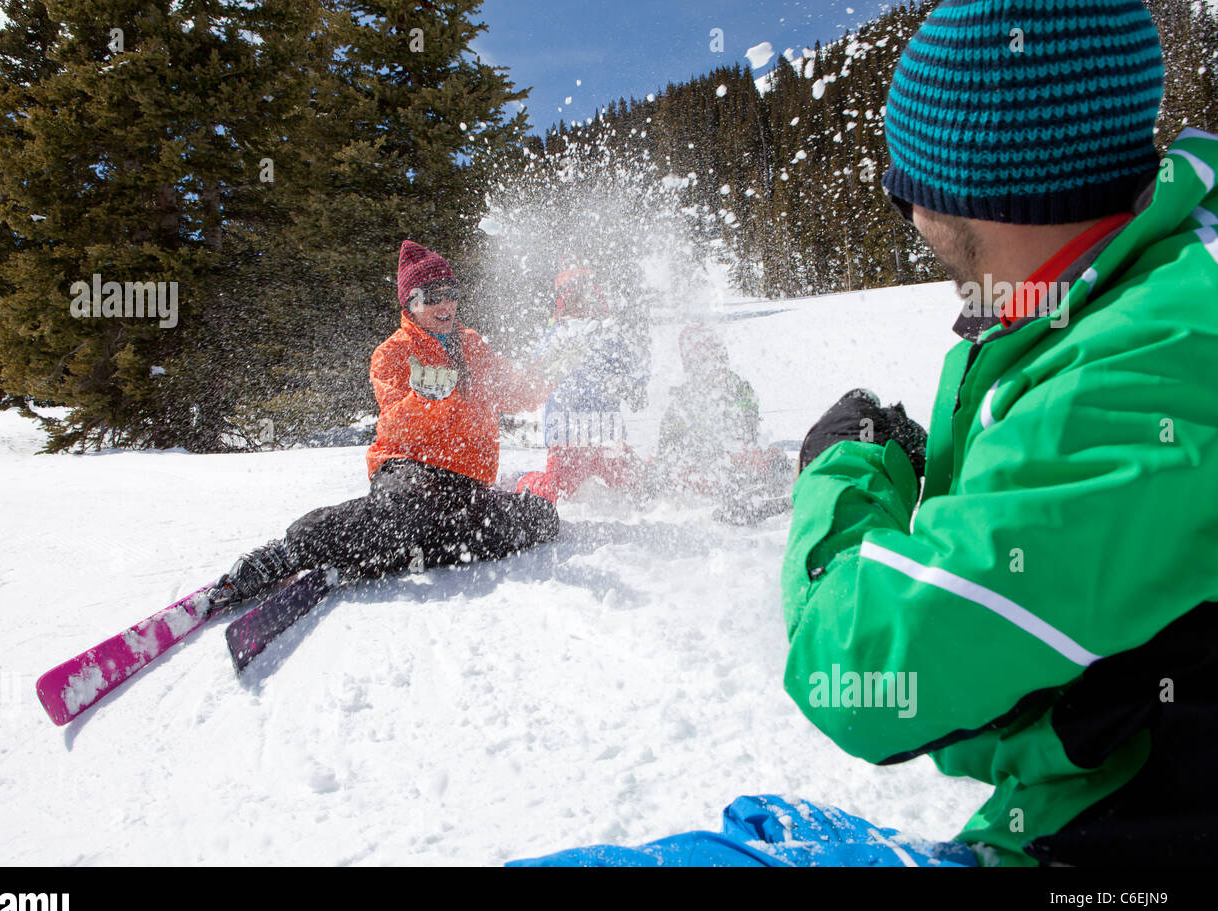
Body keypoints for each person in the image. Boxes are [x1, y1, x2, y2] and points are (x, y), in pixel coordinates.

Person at [512, 0, 1218, 866]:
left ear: (974, 187)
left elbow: (865, 680)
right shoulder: (1152, 290)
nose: (908, 215)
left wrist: (841, 478)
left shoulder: (1147, 367)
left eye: (909, 188)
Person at [208, 240, 560, 608]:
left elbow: (518, 393)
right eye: (433, 295)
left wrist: (550, 373)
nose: (446, 305)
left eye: (451, 293)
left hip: (465, 482)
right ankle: (287, 553)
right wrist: (425, 399)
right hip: (410, 469)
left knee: (539, 519)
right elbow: (395, 425)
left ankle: (405, 549)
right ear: (411, 302)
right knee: (401, 514)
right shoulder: (392, 353)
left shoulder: (472, 345)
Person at [512, 258, 650, 503]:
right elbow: (538, 373)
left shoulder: (610, 333)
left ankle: (645, 468)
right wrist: (554, 361)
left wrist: (633, 386)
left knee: (635, 485)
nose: (582, 306)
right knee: (554, 492)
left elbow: (634, 369)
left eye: (587, 297)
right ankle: (525, 480)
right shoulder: (555, 335)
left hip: (608, 434)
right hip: (568, 438)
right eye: (574, 300)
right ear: (563, 303)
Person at [654, 324, 793, 523]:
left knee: (769, 459)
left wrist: (740, 441)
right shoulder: (682, 400)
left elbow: (748, 430)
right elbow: (667, 446)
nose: (714, 368)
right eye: (703, 362)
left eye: (718, 358)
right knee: (679, 471)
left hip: (733, 460)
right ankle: (737, 491)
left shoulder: (738, 388)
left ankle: (761, 491)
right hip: (700, 465)